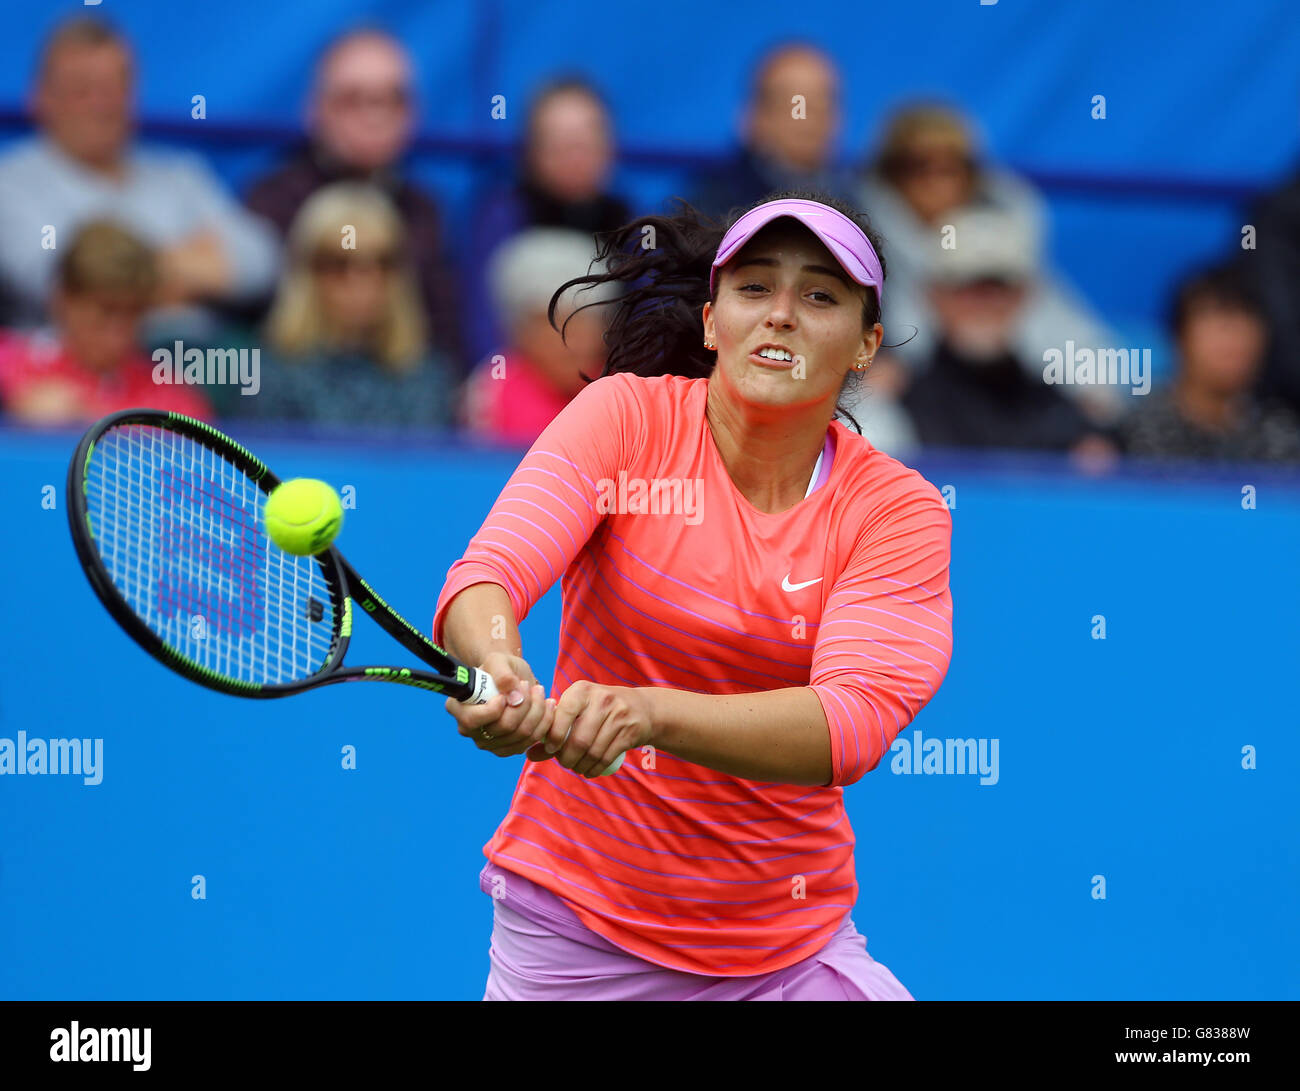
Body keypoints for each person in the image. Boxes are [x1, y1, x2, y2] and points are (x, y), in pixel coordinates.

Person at [434, 192, 953, 1000]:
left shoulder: (896, 509)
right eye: (754, 289)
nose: (781, 314)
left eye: (820, 296)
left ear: (865, 345)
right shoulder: (625, 418)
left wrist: (647, 714)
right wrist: (499, 663)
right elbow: (489, 574)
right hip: (577, 938)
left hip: (789, 951)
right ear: (713, 324)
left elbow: (847, 723)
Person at [0, 16, 278, 335]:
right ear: (40, 99)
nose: (100, 105)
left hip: (200, 364)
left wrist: (123, 275)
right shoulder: (10, 184)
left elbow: (261, 262)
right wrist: (192, 264)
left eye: (113, 88)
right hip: (76, 373)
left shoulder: (180, 174)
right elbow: (55, 280)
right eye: (82, 89)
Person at [857, 102, 1118, 425]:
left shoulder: (1010, 241)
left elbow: (1089, 366)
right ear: (891, 177)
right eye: (919, 167)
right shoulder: (859, 257)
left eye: (952, 167)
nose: (937, 182)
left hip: (1017, 415)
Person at [244, 27, 466, 373]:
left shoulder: (426, 212)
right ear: (315, 109)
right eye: (353, 99)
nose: (375, 115)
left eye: (392, 99)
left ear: (413, 113)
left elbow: (446, 339)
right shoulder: (271, 201)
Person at [226, 183, 454, 430]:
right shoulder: (267, 377)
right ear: (308, 273)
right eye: (339, 263)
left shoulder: (426, 376)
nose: (360, 280)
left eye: (381, 262)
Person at [901, 207, 1117, 458]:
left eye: (998, 285)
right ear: (933, 295)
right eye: (964, 284)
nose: (982, 301)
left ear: (1025, 296)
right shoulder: (893, 404)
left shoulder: (1059, 406)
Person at [465, 77, 631, 363]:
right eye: (559, 142)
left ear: (609, 148)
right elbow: (483, 324)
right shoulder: (501, 217)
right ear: (531, 151)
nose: (574, 155)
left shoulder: (631, 226)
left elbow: (645, 330)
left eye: (585, 140)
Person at [0, 220, 211, 425]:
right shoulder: (8, 367)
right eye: (106, 310)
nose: (119, 329)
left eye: (134, 311)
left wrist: (88, 417)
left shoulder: (172, 396)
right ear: (63, 300)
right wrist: (12, 414)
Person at [1119, 264, 1300, 463]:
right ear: (1180, 336)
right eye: (1219, 325)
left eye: (1246, 324)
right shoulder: (1138, 432)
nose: (1234, 340)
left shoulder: (1280, 433)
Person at [461, 228, 617, 445]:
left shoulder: (622, 389)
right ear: (521, 332)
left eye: (585, 322)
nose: (574, 341)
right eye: (554, 324)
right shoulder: (493, 388)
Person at [690, 42, 858, 220]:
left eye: (824, 102)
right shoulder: (715, 206)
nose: (811, 117)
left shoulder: (861, 197)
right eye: (794, 102)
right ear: (754, 116)